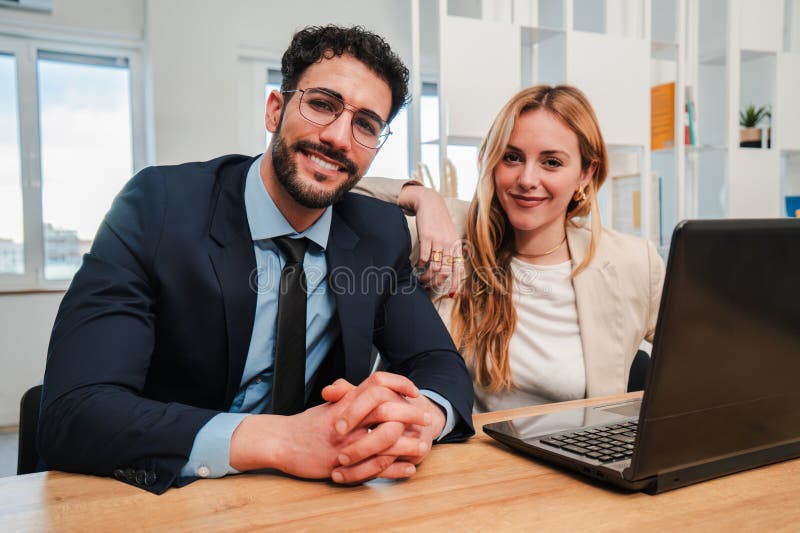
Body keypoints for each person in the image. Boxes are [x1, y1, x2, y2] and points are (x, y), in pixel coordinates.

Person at [39, 25, 474, 495]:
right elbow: (75, 409)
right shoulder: (158, 207)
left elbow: (435, 361)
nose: (338, 138)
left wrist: (421, 417)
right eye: (323, 104)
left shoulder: (377, 233)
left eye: (366, 124)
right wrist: (283, 441)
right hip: (167, 493)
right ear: (275, 110)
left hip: (311, 500)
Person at [357, 84, 665, 412]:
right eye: (513, 157)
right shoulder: (450, 228)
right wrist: (420, 196)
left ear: (586, 173)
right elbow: (336, 193)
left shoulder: (633, 260)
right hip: (461, 455)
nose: (527, 179)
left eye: (551, 162)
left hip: (577, 459)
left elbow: (697, 363)